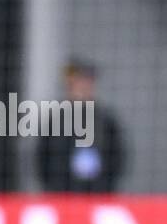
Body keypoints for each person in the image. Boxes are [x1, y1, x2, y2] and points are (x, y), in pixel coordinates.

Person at [36, 59, 126, 194]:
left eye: (88, 82)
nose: (84, 87)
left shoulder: (105, 121)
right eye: (79, 82)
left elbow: (117, 157)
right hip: (63, 195)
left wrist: (105, 186)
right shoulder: (56, 119)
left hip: (97, 195)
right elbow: (43, 158)